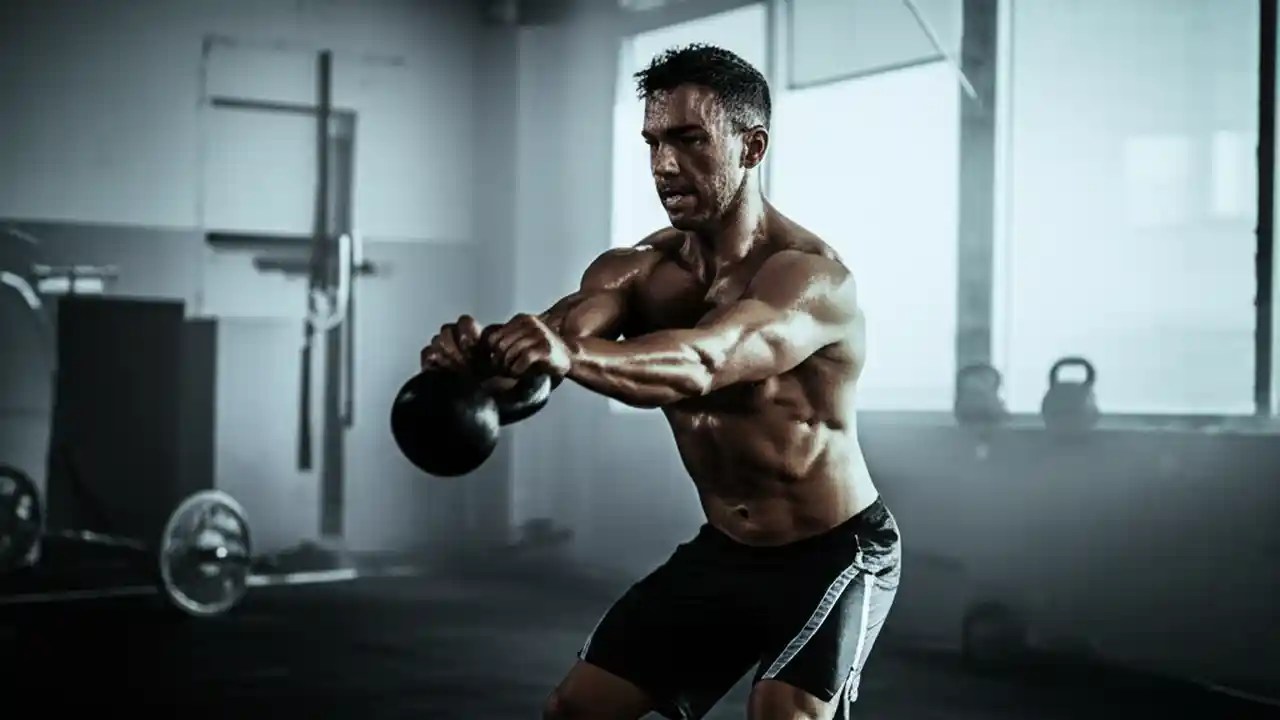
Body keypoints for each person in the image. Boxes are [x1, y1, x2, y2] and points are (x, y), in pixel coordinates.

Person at [420, 44, 902, 720]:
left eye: (688, 140)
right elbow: (545, 362)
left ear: (752, 146)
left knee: (783, 715)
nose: (663, 166)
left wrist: (562, 352)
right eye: (652, 142)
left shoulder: (810, 279)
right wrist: (476, 373)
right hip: (726, 550)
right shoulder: (636, 271)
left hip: (832, 551)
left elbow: (703, 362)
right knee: (576, 711)